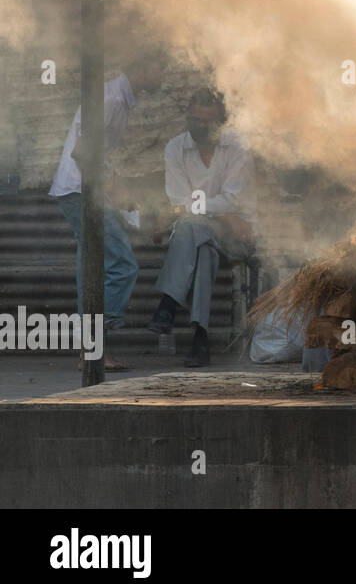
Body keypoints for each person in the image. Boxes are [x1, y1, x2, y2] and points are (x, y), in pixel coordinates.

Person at [49, 53, 165, 372]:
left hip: (79, 190)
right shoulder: (112, 99)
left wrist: (119, 192)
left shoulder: (119, 99)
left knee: (91, 270)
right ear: (140, 67)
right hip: (80, 191)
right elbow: (82, 151)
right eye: (158, 66)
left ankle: (92, 352)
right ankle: (95, 349)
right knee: (122, 265)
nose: (162, 74)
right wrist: (110, 189)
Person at [149, 90, 257, 368]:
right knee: (203, 251)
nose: (200, 127)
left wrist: (205, 210)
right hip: (205, 232)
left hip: (236, 235)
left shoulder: (238, 147)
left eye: (207, 122)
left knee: (187, 226)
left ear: (222, 121)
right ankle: (200, 338)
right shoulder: (175, 148)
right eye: (194, 120)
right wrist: (222, 213)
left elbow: (230, 198)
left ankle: (169, 303)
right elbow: (179, 199)